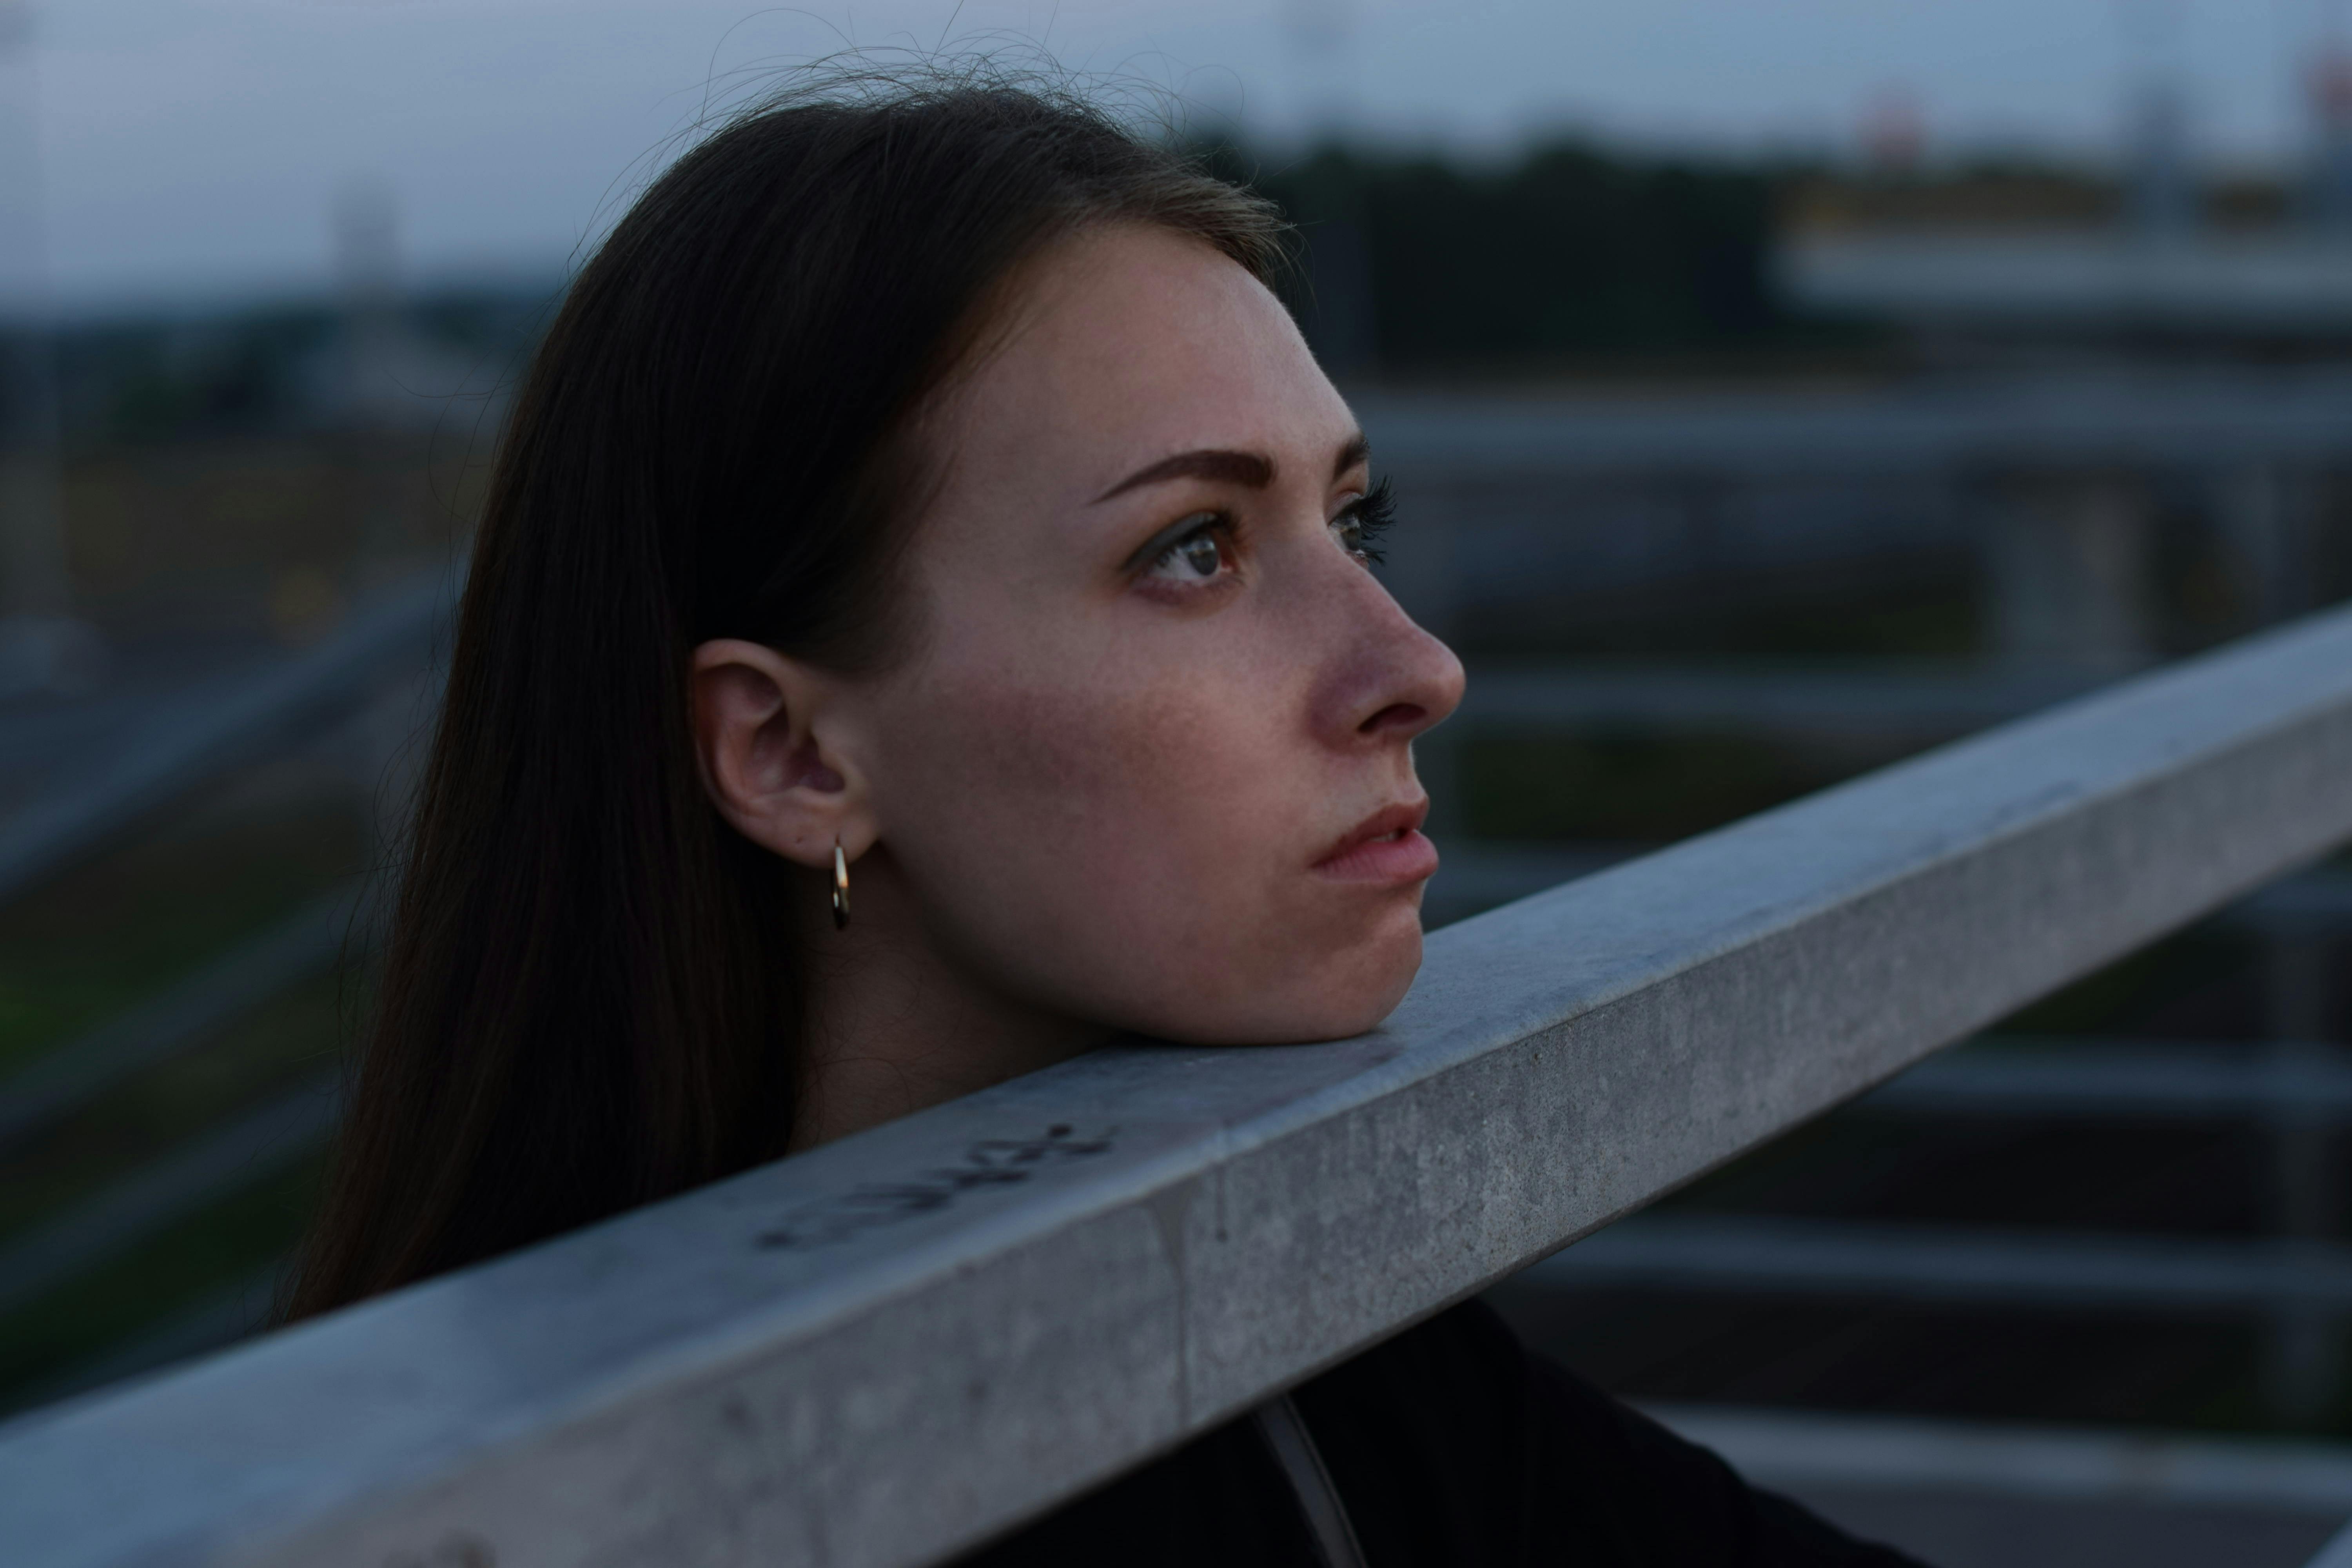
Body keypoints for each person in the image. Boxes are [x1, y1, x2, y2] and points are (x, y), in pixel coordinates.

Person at [286, 67, 1923, 1568]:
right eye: (1194, 549)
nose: (1416, 665)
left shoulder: (1308, 1375)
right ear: (790, 755)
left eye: (1356, 521)